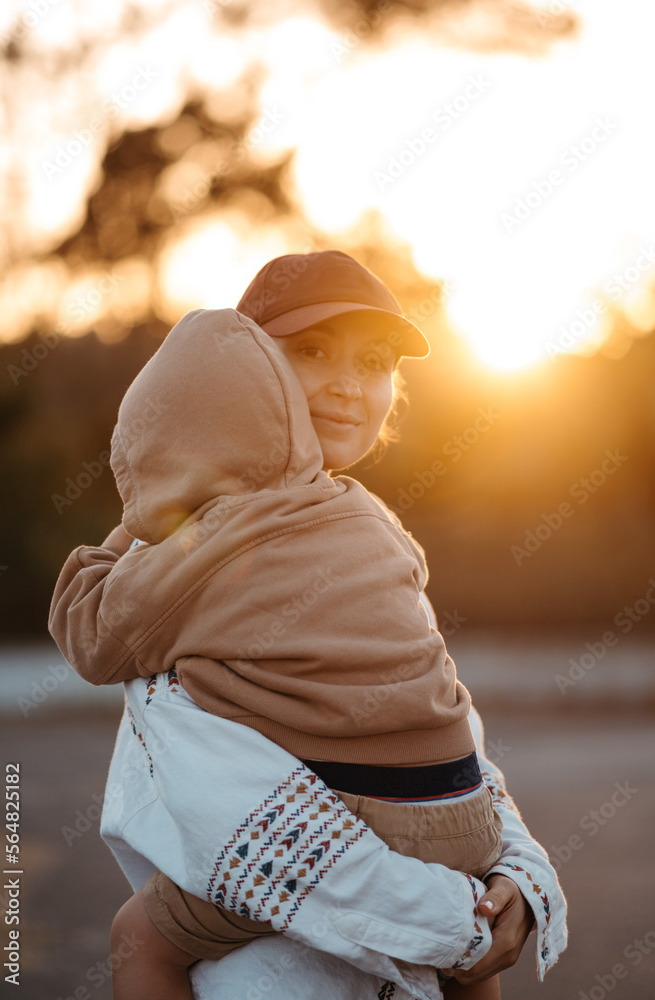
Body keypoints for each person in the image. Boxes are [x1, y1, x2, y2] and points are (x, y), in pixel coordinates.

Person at [49, 252, 567, 999]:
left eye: (376, 362)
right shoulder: (373, 521)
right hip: (455, 819)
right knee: (465, 937)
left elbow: (94, 638)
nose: (349, 385)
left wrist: (133, 528)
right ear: (244, 372)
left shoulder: (202, 538)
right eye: (312, 352)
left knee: (138, 938)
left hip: (330, 836)